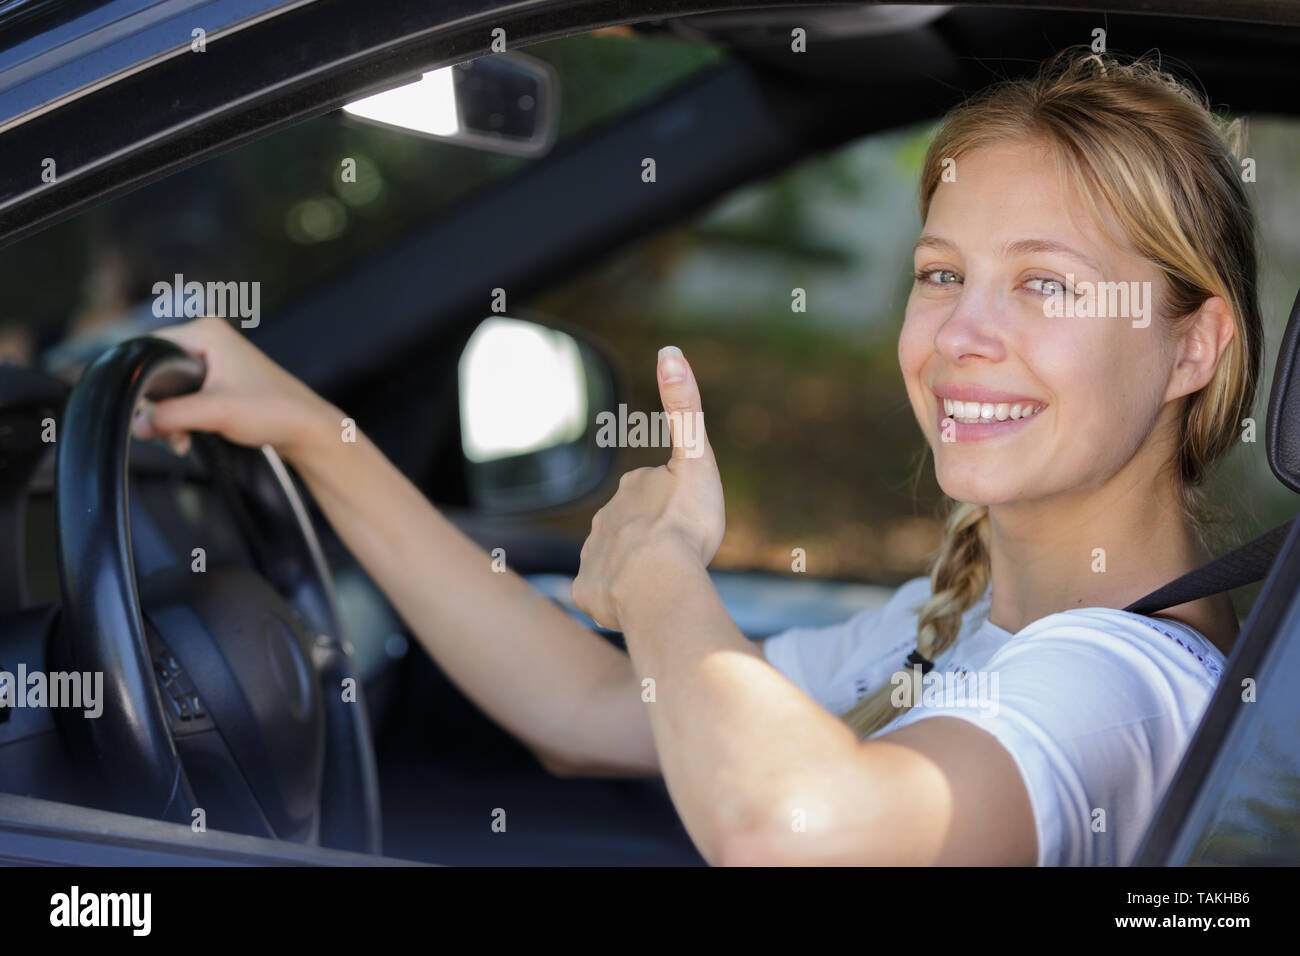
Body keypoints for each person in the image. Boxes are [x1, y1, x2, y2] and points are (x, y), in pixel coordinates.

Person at [134, 46, 1261, 866]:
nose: (960, 334)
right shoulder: (964, 620)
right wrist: (309, 430)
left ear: (1190, 347)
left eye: (1044, 283)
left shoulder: (1122, 686)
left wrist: (666, 570)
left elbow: (787, 830)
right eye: (938, 273)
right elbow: (583, 712)